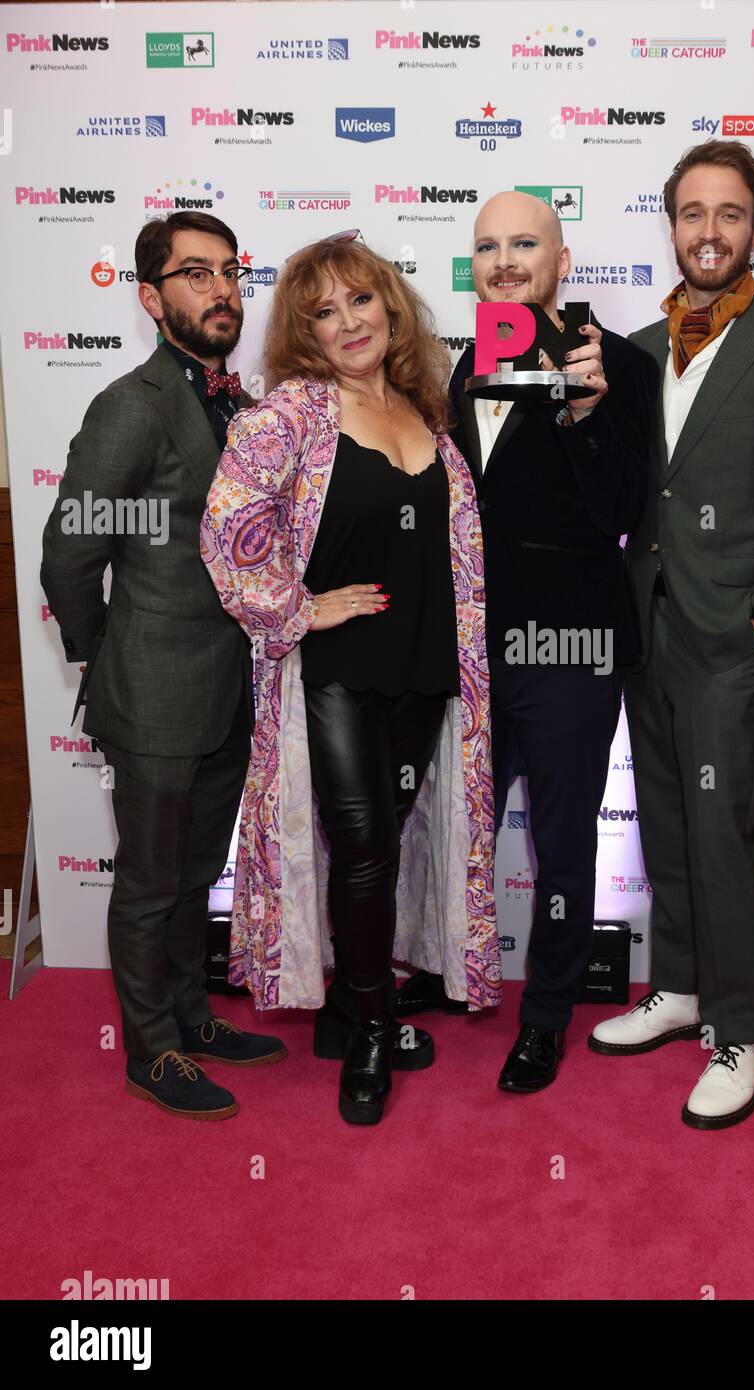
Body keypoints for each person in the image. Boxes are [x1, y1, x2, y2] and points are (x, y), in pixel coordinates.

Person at [201, 234, 497, 1125]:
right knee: (363, 842)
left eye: (360, 300)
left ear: (389, 307)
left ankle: (347, 1007)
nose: (349, 322)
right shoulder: (291, 415)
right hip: (337, 667)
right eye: (324, 313)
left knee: (386, 837)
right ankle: (370, 1031)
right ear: (307, 333)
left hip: (424, 664)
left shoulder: (427, 410)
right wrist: (297, 607)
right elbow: (226, 528)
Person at [589, 140, 754, 1129]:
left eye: (728, 213)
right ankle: (680, 985)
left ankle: (741, 1029)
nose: (708, 231)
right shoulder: (634, 350)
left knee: (723, 834)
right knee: (663, 820)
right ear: (671, 225)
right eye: (691, 212)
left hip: (732, 636)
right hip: (646, 624)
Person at [397, 188, 657, 1095]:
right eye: (487, 248)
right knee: (450, 820)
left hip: (573, 647)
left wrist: (585, 411)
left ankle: (546, 1014)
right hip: (471, 649)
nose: (504, 262)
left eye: (524, 244)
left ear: (562, 261)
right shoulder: (459, 366)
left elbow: (624, 510)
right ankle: (443, 967)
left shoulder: (620, 364)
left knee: (562, 839)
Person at [41, 211, 286, 1122]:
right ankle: (150, 1052)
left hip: (228, 691)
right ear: (150, 298)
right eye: (195, 274)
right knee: (149, 884)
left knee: (193, 875)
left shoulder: (237, 405)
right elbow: (70, 555)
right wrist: (107, 660)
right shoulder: (132, 406)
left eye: (229, 271)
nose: (221, 289)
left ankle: (191, 1018)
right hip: (151, 694)